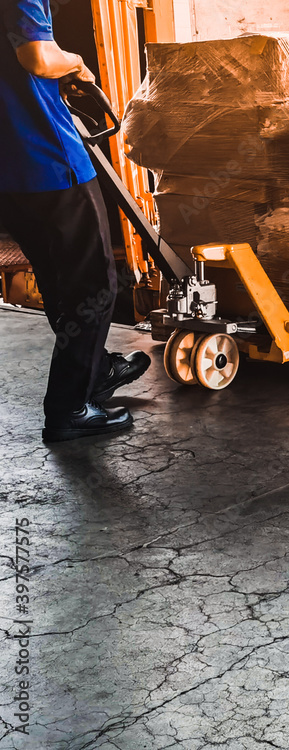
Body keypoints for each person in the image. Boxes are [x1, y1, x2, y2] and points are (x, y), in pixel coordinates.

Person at [1, 0, 150, 442]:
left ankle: (96, 368)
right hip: (48, 158)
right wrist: (76, 61)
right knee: (93, 285)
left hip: (9, 168)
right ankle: (70, 407)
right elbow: (37, 56)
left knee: (58, 280)